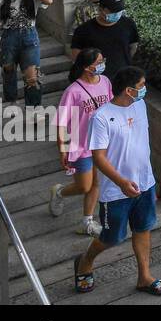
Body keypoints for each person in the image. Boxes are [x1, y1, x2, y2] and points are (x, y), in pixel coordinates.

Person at [73, 66, 161, 296]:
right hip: (116, 192)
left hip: (145, 184)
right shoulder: (102, 117)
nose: (145, 90)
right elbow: (98, 157)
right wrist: (121, 182)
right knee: (111, 237)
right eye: (141, 86)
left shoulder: (140, 105)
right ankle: (85, 261)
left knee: (143, 228)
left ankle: (144, 276)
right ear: (128, 90)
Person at [50, 48, 112, 236]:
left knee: (96, 183)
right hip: (80, 145)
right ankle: (59, 192)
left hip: (101, 143)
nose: (102, 65)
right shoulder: (73, 91)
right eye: (98, 62)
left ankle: (87, 221)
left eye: (103, 60)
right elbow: (60, 123)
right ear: (86, 67)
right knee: (84, 186)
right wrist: (63, 150)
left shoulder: (106, 81)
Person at [71, 0, 140, 73]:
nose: (117, 14)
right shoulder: (84, 30)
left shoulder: (128, 24)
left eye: (119, 10)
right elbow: (76, 55)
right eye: (113, 11)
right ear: (101, 9)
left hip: (123, 76)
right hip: (97, 78)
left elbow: (133, 46)